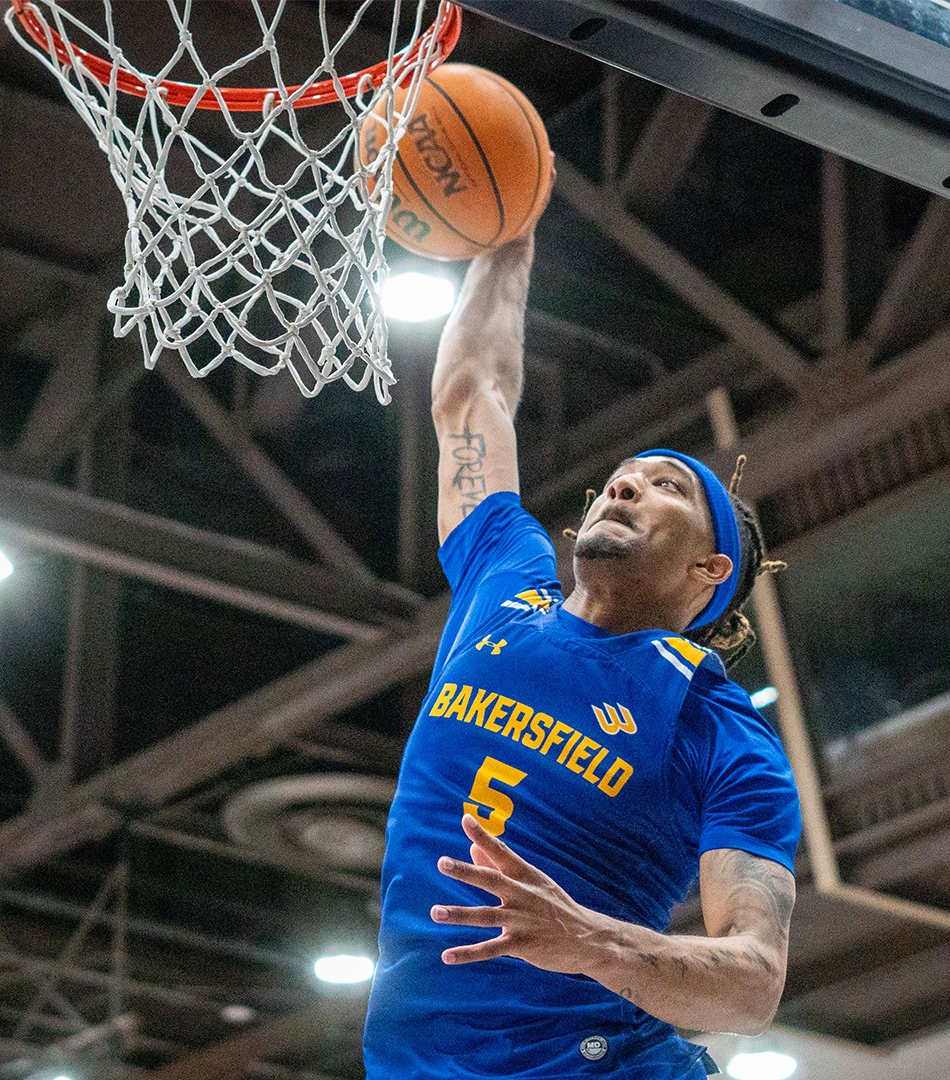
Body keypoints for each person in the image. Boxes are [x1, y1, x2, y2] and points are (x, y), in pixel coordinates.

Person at [362, 233, 803, 1078]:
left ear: (708, 573)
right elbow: (473, 393)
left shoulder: (716, 730)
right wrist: (509, 236)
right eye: (623, 476)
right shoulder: (502, 581)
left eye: (669, 487)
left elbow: (753, 982)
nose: (625, 484)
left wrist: (588, 940)